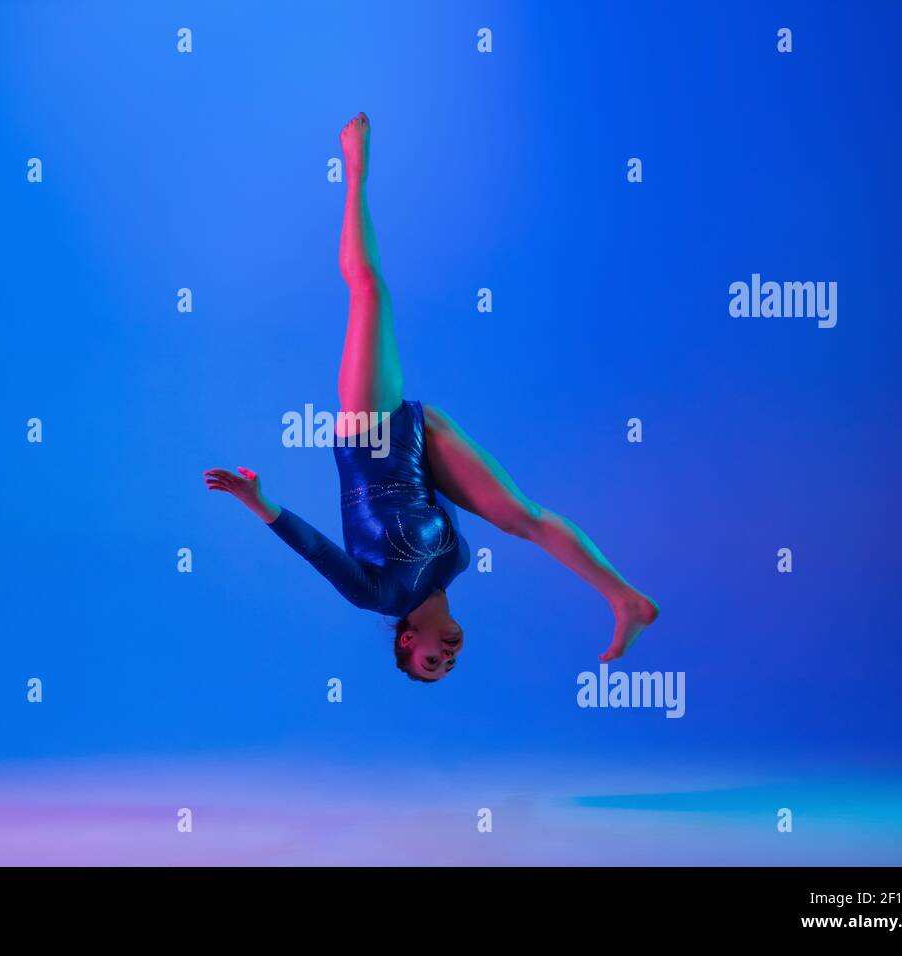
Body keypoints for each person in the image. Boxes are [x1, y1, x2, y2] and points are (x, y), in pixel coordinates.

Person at [205, 113, 657, 682]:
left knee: (370, 291)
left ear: (406, 640)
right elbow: (430, 499)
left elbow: (316, 549)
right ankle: (625, 600)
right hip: (420, 449)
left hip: (369, 434)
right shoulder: (455, 564)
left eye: (430, 661)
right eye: (451, 663)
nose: (448, 654)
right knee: (525, 519)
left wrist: (256, 501)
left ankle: (355, 172)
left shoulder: (376, 595)